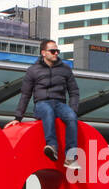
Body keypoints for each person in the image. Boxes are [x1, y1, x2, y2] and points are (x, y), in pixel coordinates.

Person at [6, 39, 81, 168]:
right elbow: (25, 94)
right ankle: (52, 147)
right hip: (41, 104)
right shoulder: (33, 70)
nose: (56, 53)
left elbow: (74, 91)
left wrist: (73, 109)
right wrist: (18, 117)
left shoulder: (65, 69)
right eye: (53, 51)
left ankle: (71, 158)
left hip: (60, 104)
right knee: (48, 111)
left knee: (71, 116)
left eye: (57, 51)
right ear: (43, 53)